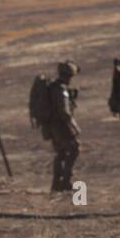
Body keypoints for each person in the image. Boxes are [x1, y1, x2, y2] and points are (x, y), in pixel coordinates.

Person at [47, 60, 81, 194]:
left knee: (61, 152)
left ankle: (57, 183)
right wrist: (75, 126)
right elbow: (65, 112)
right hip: (61, 126)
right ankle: (65, 181)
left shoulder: (53, 87)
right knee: (74, 149)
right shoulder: (61, 90)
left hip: (53, 126)